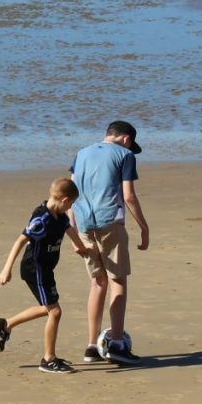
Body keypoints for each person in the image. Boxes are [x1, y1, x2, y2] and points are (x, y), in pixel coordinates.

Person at [69, 120, 149, 365]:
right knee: (117, 281)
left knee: (97, 283)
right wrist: (144, 227)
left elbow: (69, 194)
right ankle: (116, 343)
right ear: (126, 139)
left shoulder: (81, 153)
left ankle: (92, 346)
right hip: (109, 223)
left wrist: (72, 232)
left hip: (83, 224)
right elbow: (128, 196)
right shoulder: (125, 155)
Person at [0, 176, 89, 374]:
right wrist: (6, 269)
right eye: (71, 203)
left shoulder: (60, 218)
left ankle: (6, 325)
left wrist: (85, 250)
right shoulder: (41, 219)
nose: (71, 207)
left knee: (47, 308)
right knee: (55, 312)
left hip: (46, 268)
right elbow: (20, 241)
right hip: (35, 268)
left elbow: (72, 234)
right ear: (64, 200)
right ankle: (48, 359)